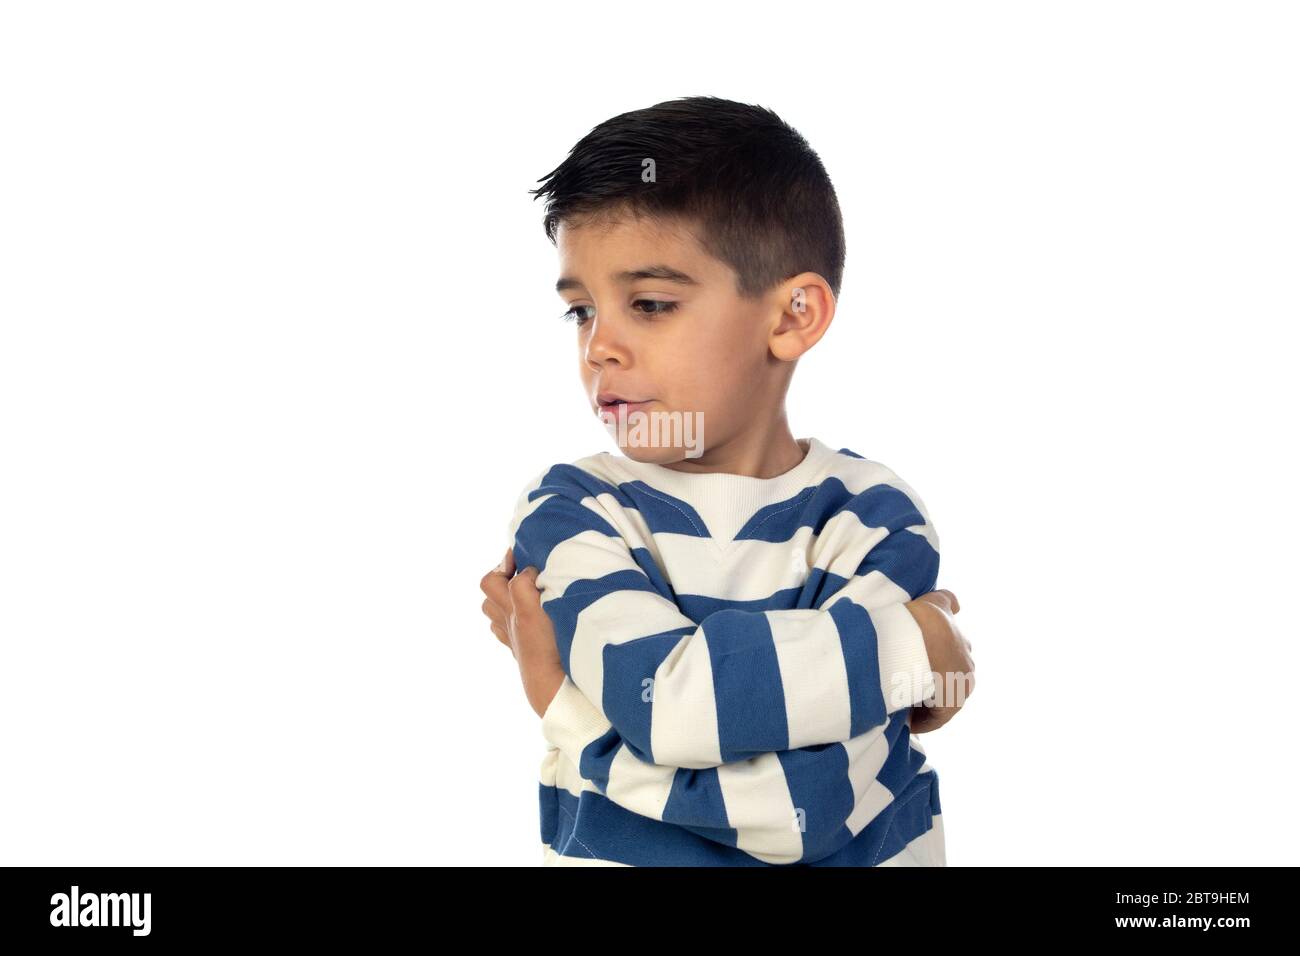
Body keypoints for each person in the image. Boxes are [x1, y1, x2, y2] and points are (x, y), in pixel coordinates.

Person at [479, 96, 975, 866]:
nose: (600, 345)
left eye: (649, 303)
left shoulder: (873, 515)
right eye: (580, 311)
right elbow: (679, 709)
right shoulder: (571, 511)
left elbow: (799, 811)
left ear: (793, 316)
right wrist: (908, 646)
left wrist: (566, 709)